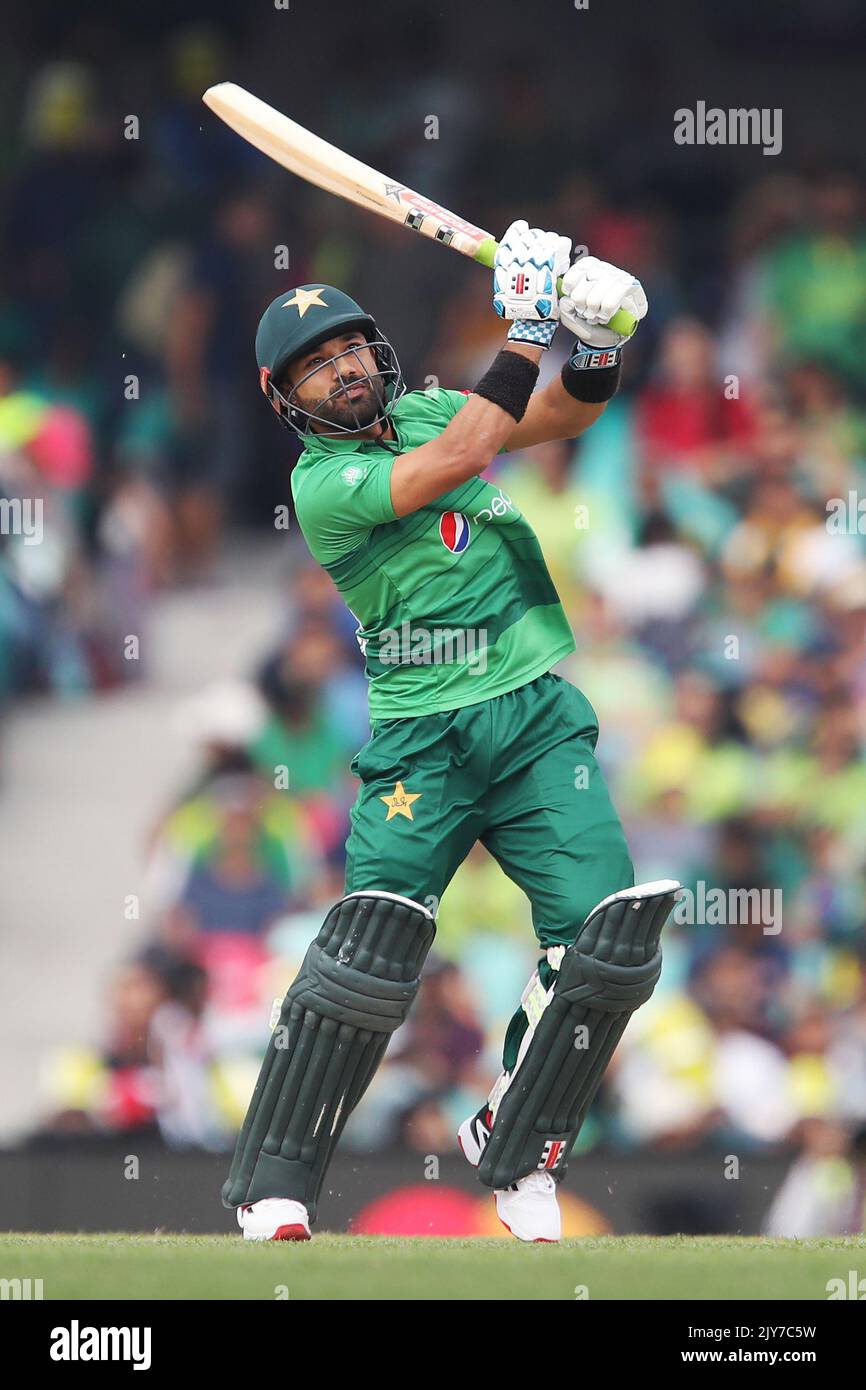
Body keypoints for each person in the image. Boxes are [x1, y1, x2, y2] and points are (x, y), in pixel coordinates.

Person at [222, 222, 679, 1243]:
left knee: (609, 935)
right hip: (420, 738)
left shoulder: (432, 404)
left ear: (376, 353)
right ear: (281, 396)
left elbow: (560, 413)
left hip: (530, 717)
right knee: (369, 947)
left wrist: (594, 339)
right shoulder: (321, 488)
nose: (338, 369)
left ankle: (516, 1148)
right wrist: (522, 324)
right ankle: (276, 1183)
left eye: (346, 348)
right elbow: (468, 449)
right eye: (313, 365)